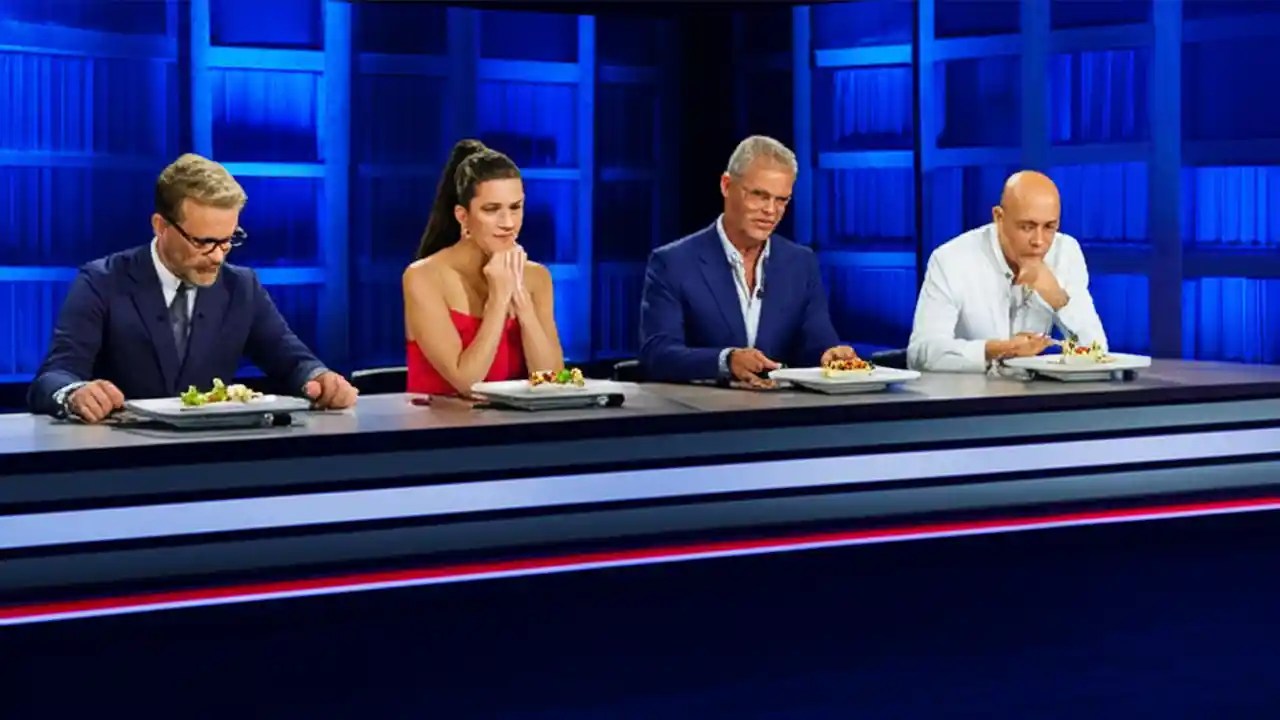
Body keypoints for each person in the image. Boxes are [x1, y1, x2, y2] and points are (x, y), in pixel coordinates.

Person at [27, 153, 357, 421]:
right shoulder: (102, 282)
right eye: (203, 242)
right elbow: (54, 377)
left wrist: (320, 379)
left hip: (212, 458)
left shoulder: (241, 287)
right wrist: (75, 394)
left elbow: (292, 360)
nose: (217, 256)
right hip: (122, 457)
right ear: (161, 226)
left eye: (228, 240)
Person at [638, 135, 857, 387]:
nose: (771, 211)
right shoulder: (673, 263)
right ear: (726, 185)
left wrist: (829, 355)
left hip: (783, 407)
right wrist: (726, 361)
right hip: (705, 407)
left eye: (781, 200)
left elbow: (816, 343)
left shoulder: (800, 263)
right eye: (759, 195)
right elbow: (657, 354)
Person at [403, 140, 563, 396]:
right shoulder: (423, 277)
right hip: (442, 420)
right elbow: (468, 384)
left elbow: (552, 383)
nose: (508, 223)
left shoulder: (537, 277)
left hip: (513, 421)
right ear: (463, 216)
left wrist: (521, 301)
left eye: (515, 207)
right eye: (491, 210)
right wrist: (498, 300)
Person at [907, 170, 1108, 373]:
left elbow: (1098, 351)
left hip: (1035, 391)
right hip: (967, 390)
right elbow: (921, 353)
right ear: (999, 217)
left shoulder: (1065, 253)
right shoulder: (951, 259)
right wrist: (996, 350)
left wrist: (1057, 298)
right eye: (1027, 227)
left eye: (1049, 227)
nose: (1039, 241)